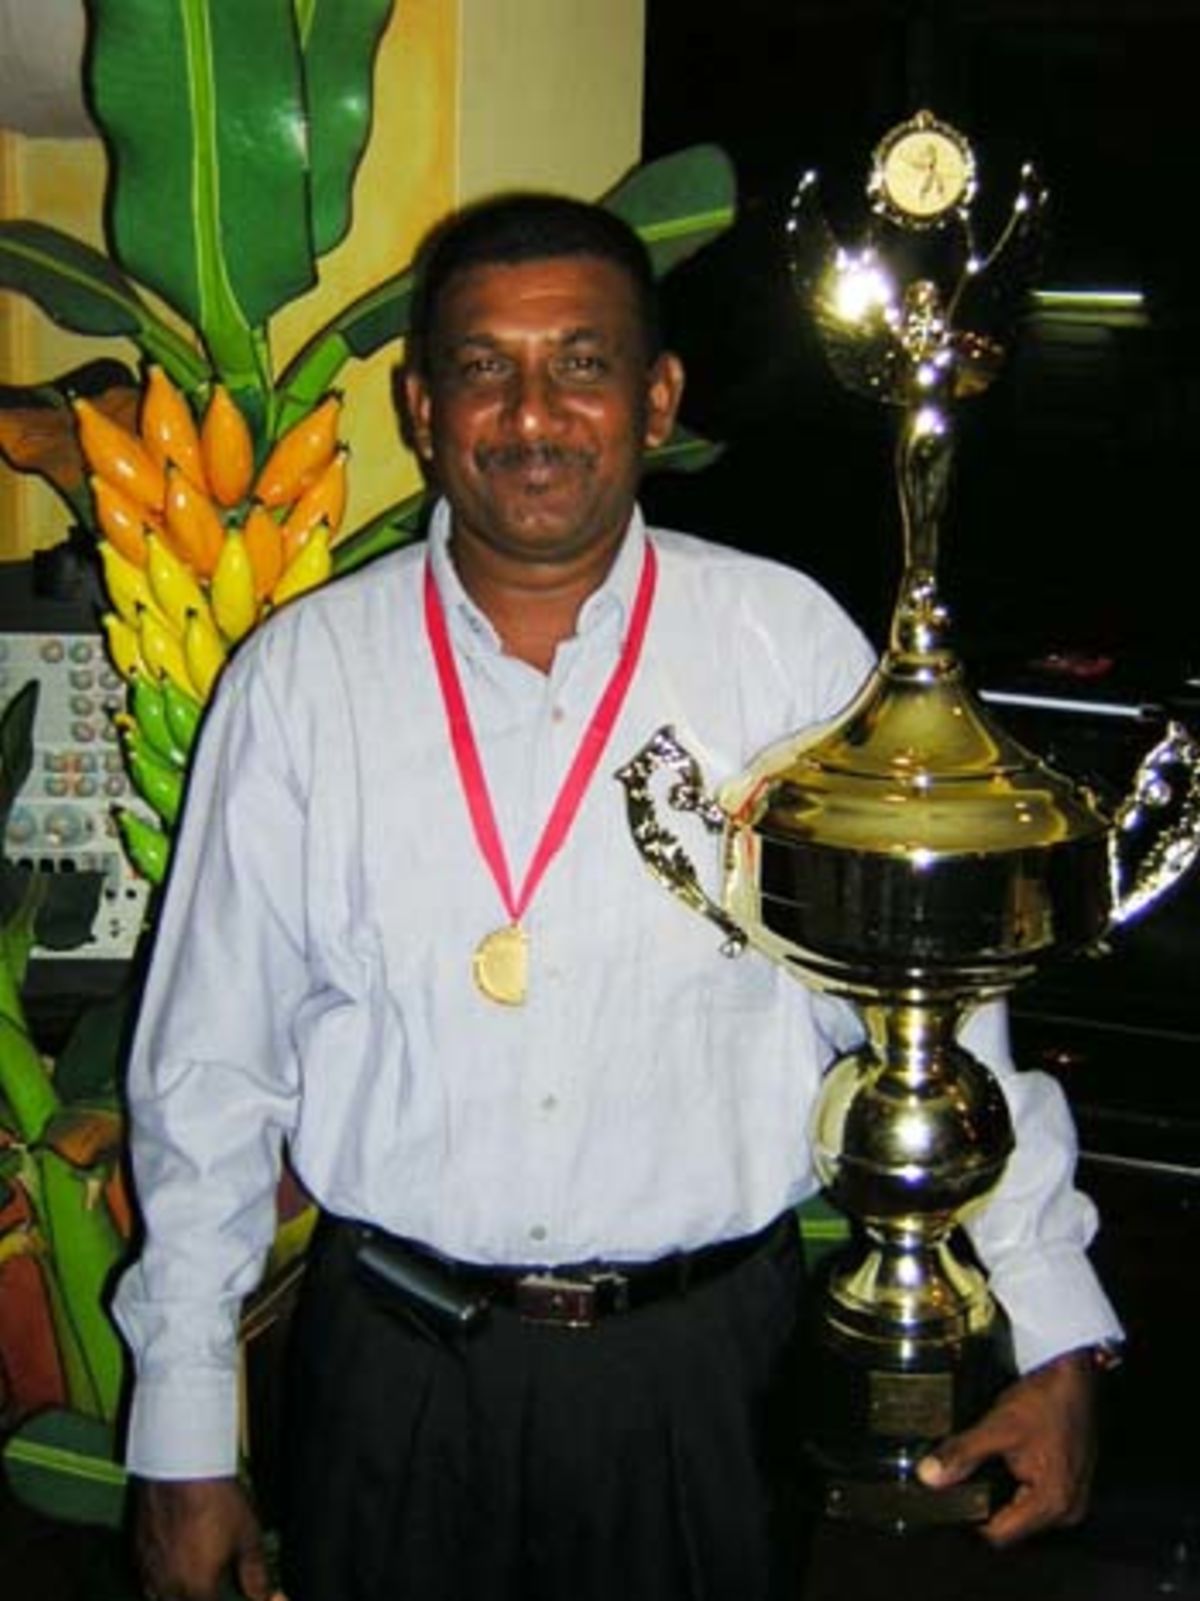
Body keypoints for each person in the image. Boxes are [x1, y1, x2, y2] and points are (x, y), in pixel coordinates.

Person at [114, 194, 1122, 1601]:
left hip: (701, 1383)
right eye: (484, 367)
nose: (532, 413)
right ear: (420, 405)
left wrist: (1057, 1325)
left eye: (582, 364)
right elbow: (207, 1074)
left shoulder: (783, 650)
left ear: (656, 399)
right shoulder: (301, 682)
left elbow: (942, 1028)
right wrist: (180, 1429)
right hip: (392, 1380)